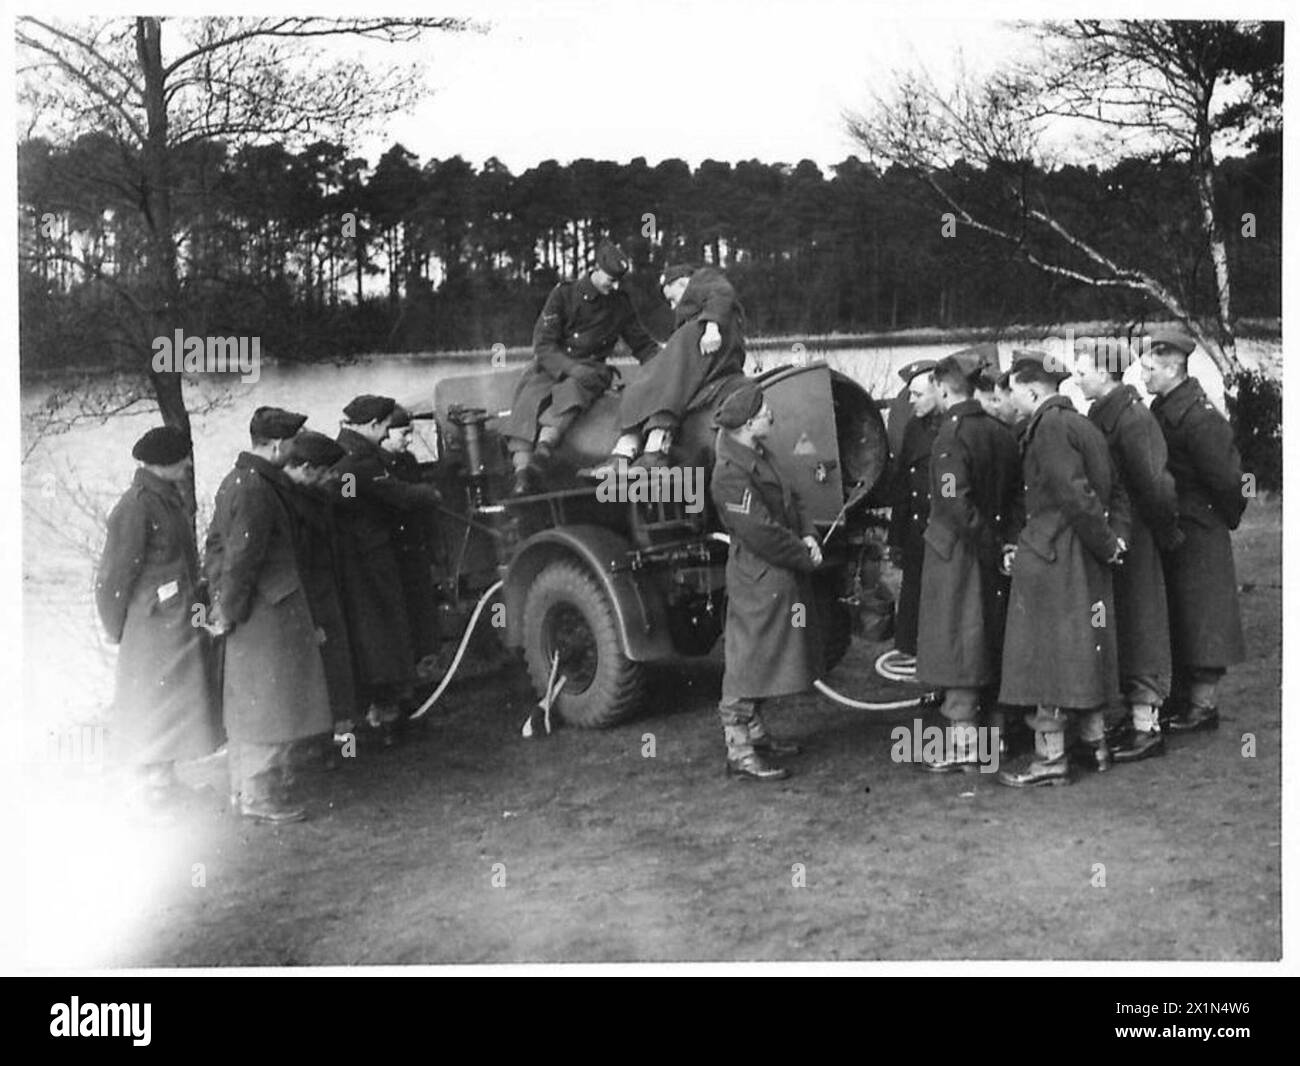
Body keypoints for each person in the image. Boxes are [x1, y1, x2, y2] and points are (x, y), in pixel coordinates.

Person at [997, 359, 1129, 787]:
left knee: (1044, 656)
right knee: (1082, 648)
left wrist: (1104, 543)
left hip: (1054, 554)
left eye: (1013, 391)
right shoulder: (1082, 424)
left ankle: (1050, 756)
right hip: (1080, 555)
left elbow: (1074, 493)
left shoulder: (1049, 427)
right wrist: (1110, 543)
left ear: (1032, 392)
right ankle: (1094, 744)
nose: (1009, 399)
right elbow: (1111, 489)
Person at [205, 407, 331, 823]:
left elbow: (216, 550)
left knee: (256, 702)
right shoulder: (256, 488)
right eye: (293, 441)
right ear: (277, 444)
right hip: (266, 615)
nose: (295, 449)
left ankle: (249, 791)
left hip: (260, 609)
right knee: (269, 705)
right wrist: (229, 610)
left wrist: (223, 603)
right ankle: (259, 795)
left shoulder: (242, 481)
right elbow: (240, 558)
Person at [95, 426, 220, 819]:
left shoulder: (167, 498)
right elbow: (113, 579)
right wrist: (119, 631)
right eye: (181, 458)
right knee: (152, 709)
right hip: (151, 628)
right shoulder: (135, 506)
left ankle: (165, 783)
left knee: (173, 707)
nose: (187, 465)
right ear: (164, 463)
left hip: (176, 621)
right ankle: (150, 796)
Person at [1074, 337, 1182, 762]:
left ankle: (1147, 726)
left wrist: (1163, 534)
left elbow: (1157, 487)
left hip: (1135, 540)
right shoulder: (1110, 415)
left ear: (1105, 373)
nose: (1077, 378)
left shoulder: (1131, 419)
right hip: (1120, 538)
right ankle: (1138, 718)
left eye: (1082, 371)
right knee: (1130, 625)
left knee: (1143, 627)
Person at [914, 350, 1023, 771]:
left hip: (959, 555)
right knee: (989, 640)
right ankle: (996, 738)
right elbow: (1017, 497)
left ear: (943, 389)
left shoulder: (949, 437)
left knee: (958, 646)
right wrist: (1003, 543)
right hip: (991, 550)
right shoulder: (1000, 431)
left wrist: (986, 542)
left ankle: (963, 746)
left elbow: (952, 501)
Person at [710, 382, 823, 781]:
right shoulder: (729, 473)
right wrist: (803, 555)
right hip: (759, 576)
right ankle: (738, 750)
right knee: (748, 661)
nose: (770, 414)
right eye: (762, 412)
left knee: (764, 656)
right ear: (744, 425)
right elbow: (760, 531)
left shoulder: (758, 453)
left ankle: (755, 735)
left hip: (776, 572)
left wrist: (808, 534)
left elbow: (796, 497)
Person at [1142, 327, 1247, 733]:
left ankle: (1203, 706)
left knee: (1203, 615)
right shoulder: (1167, 407)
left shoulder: (1199, 417)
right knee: (1184, 614)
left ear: (1173, 368)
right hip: (1178, 527)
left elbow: (1229, 479)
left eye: (1151, 367)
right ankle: (1186, 700)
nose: (1144, 374)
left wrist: (1220, 517)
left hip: (1199, 530)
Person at [500, 239, 660, 495]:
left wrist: (664, 365)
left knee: (575, 389)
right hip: (551, 366)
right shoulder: (564, 295)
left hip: (590, 371)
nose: (615, 286)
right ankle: (522, 473)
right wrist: (571, 369)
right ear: (596, 269)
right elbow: (543, 345)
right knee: (527, 405)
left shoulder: (620, 303)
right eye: (611, 279)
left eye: (619, 281)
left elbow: (642, 344)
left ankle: (544, 452)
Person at [334, 394, 441, 743]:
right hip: (369, 562)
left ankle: (386, 713)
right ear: (372, 426)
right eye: (381, 427)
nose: (384, 435)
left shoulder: (345, 457)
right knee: (383, 638)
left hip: (361, 560)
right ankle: (388, 720)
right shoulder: (360, 463)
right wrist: (430, 493)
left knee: (380, 637)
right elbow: (399, 495)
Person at [596, 263, 749, 471]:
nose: (672, 306)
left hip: (718, 351)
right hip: (704, 353)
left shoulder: (705, 278)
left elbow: (722, 293)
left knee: (674, 357)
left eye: (672, 298)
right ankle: (628, 447)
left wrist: (712, 328)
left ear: (682, 283)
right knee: (648, 375)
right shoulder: (691, 315)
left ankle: (655, 445)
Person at [281, 430, 356, 763]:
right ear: (308, 468)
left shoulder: (310, 496)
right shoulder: (293, 506)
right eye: (324, 472)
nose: (330, 479)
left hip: (328, 592)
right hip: (313, 600)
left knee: (336, 670)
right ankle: (323, 744)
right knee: (322, 672)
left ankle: (340, 740)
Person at [380, 405, 442, 674]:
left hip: (414, 547)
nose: (408, 440)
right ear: (384, 432)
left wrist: (433, 546)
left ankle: (426, 662)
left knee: (422, 608)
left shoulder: (408, 463)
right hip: (390, 552)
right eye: (403, 434)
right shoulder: (373, 466)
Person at [885, 358, 939, 661]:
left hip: (941, 533)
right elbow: (903, 485)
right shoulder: (913, 428)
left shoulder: (952, 429)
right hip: (916, 534)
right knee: (915, 601)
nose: (911, 401)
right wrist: (896, 538)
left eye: (918, 395)